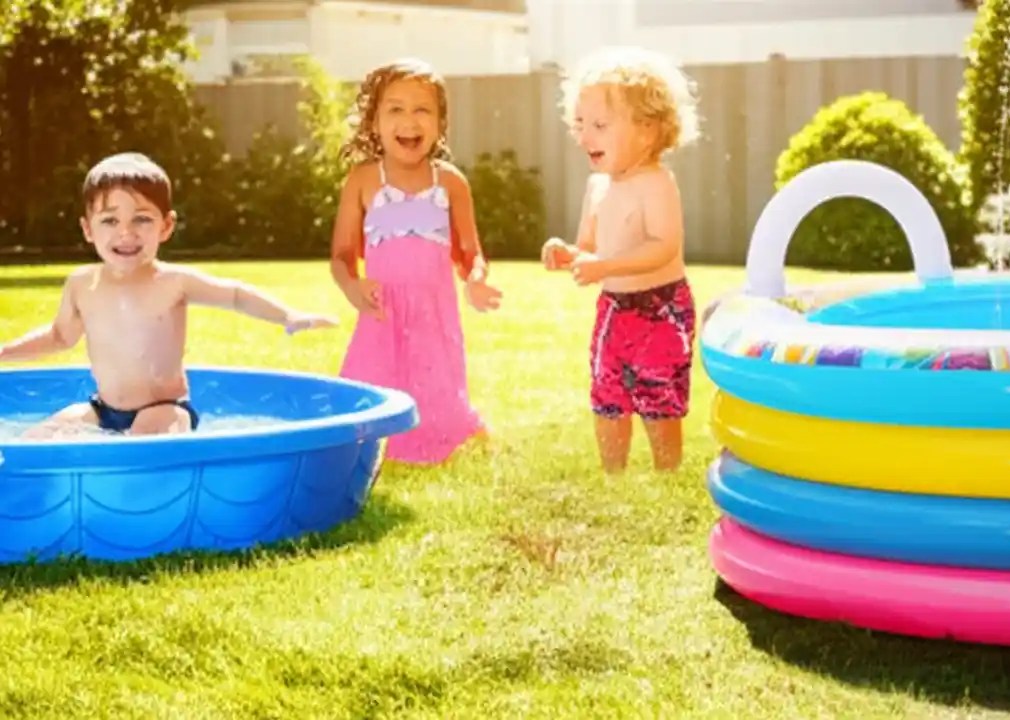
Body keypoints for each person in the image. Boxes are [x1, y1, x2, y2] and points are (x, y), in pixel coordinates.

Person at [0, 152, 337, 439]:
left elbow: (234, 295)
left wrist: (288, 315)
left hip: (164, 409)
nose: (126, 232)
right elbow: (60, 336)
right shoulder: (81, 284)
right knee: (36, 439)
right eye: (110, 220)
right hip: (102, 409)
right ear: (88, 229)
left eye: (142, 219)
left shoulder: (173, 282)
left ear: (166, 226)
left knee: (142, 444)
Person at [330, 58, 503, 464]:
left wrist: (475, 277)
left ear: (441, 123)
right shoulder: (363, 180)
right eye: (396, 109)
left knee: (437, 394)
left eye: (422, 109)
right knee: (367, 398)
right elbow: (340, 256)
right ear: (374, 122)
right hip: (381, 313)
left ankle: (455, 430)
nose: (410, 121)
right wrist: (353, 287)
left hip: (434, 316)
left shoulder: (451, 183)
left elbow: (470, 251)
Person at [540, 46, 701, 474]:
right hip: (614, 307)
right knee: (607, 389)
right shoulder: (597, 186)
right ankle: (613, 475)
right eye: (580, 124)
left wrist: (604, 266)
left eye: (599, 125)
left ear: (647, 131)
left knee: (657, 393)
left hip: (660, 307)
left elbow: (662, 246)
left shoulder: (656, 183)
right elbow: (591, 249)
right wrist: (569, 255)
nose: (584, 135)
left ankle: (667, 473)